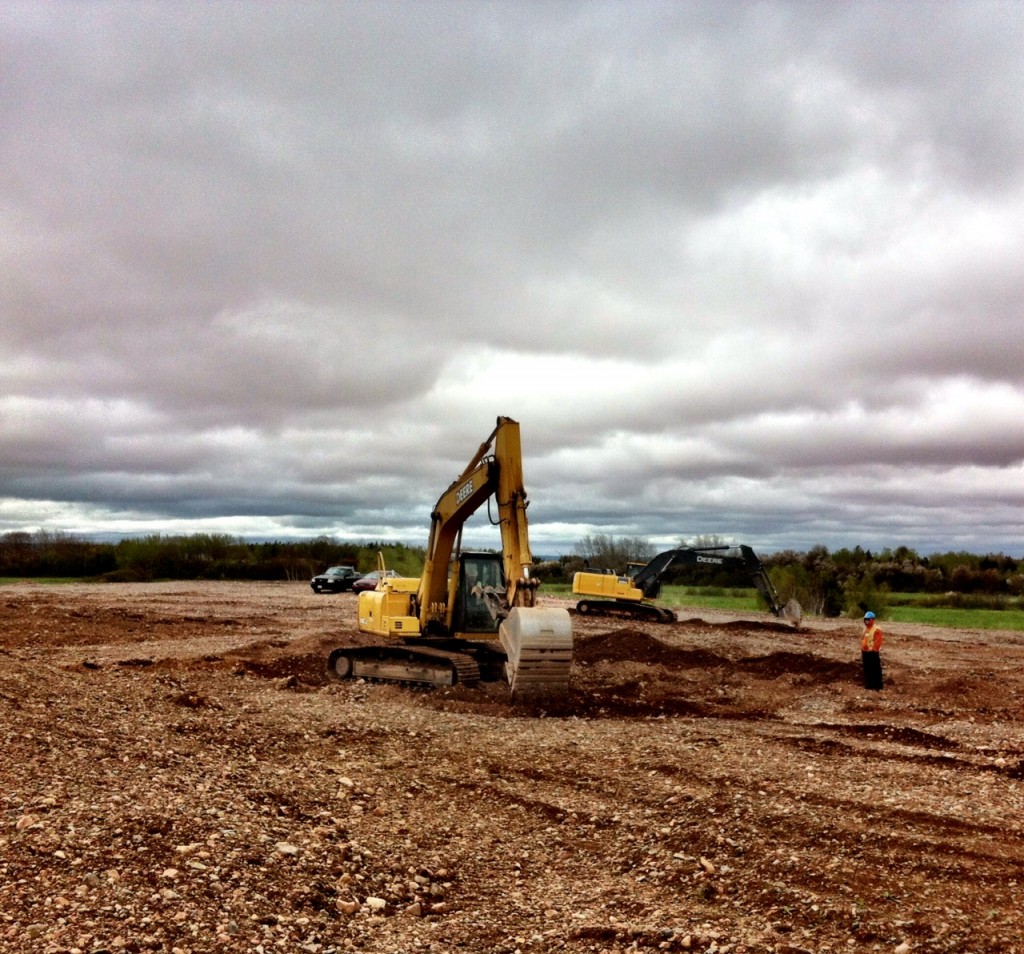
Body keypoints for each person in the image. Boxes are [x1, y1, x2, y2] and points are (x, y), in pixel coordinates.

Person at [860, 611, 884, 690]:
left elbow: (878, 641)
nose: (866, 621)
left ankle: (877, 685)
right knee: (867, 669)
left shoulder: (876, 629)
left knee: (875, 669)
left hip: (872, 653)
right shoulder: (866, 629)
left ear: (872, 620)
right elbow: (863, 639)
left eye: (868, 619)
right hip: (865, 652)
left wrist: (874, 650)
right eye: (865, 619)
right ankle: (869, 684)